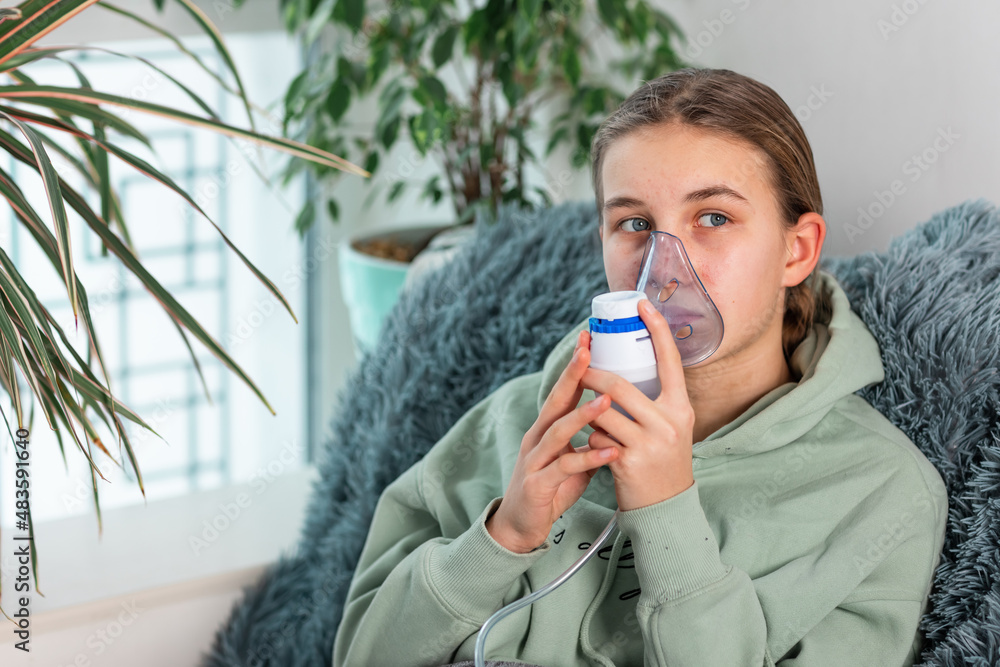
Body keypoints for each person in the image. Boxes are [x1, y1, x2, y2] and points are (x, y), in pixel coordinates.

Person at [333, 68, 948, 666]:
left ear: (798, 250)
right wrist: (502, 537)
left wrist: (666, 513)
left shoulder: (882, 494)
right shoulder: (512, 421)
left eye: (713, 217)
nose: (665, 266)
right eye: (634, 224)